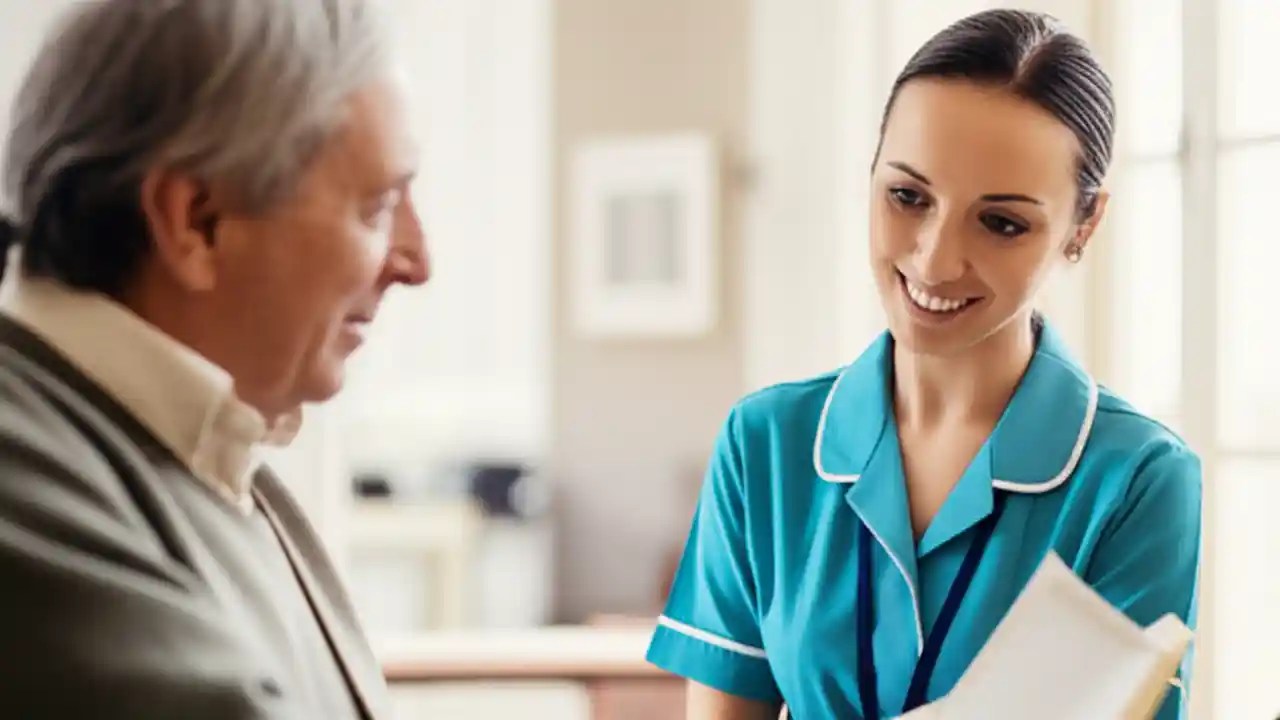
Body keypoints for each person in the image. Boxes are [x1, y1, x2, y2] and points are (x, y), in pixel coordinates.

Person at [647, 9, 1200, 720]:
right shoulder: (765, 445)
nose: (936, 261)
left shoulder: (1138, 480)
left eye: (1002, 222)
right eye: (907, 197)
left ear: (1083, 224)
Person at [0, 1, 427, 717]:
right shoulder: (24, 482)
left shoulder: (214, 461)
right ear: (196, 221)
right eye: (377, 208)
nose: (416, 262)